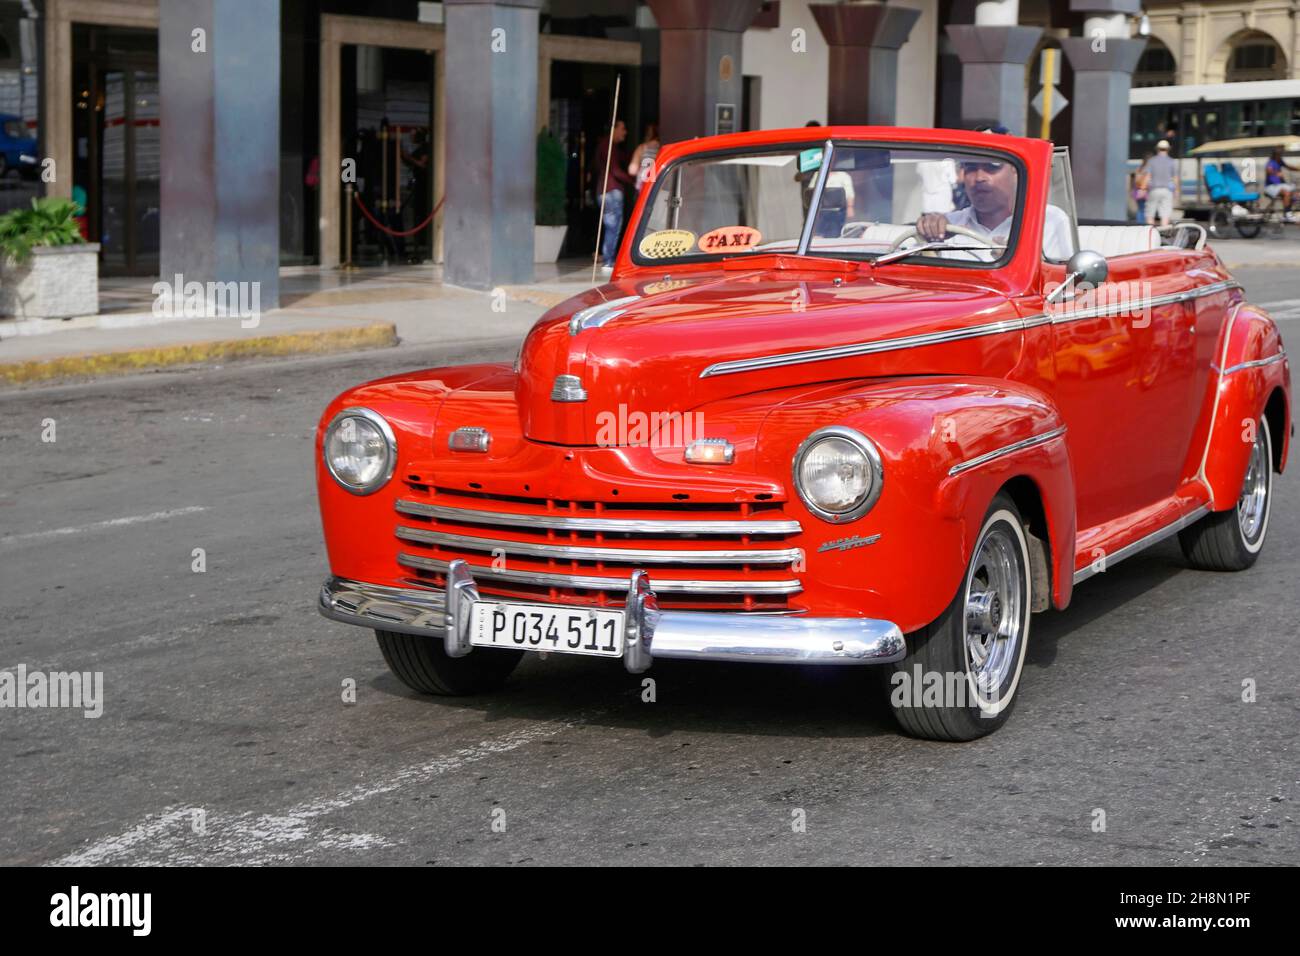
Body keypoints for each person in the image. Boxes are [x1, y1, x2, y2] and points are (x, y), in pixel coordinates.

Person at [915, 155, 1073, 261]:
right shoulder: (948, 225)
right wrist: (927, 232)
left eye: (992, 167)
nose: (979, 178)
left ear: (1015, 171)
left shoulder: (1048, 220)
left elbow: (1062, 285)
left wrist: (1021, 262)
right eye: (971, 168)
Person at [592, 118, 635, 273]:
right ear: (613, 129)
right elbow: (616, 170)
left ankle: (608, 259)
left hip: (604, 191)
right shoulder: (608, 146)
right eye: (622, 128)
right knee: (613, 228)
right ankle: (609, 261)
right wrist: (633, 181)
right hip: (612, 191)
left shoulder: (609, 147)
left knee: (611, 227)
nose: (625, 132)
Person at [1146, 139, 1178, 227]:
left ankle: (1150, 233)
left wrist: (1143, 189)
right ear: (1168, 149)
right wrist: (1176, 190)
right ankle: (1163, 233)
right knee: (1165, 214)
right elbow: (1175, 177)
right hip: (1167, 190)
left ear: (1157, 149)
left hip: (1154, 189)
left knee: (1150, 213)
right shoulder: (1171, 161)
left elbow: (1148, 176)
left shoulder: (1151, 161)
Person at [1264, 147, 1300, 221]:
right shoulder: (1271, 162)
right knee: (1286, 192)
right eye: (1279, 155)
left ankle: (1286, 213)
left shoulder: (1279, 161)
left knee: (1294, 191)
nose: (1280, 156)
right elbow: (1268, 170)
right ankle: (1287, 214)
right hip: (1270, 187)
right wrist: (1276, 173)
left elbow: (1289, 167)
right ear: (1275, 155)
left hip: (1279, 186)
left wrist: (1298, 169)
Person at [627, 122, 660, 192]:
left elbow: (632, 170)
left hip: (643, 187)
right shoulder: (662, 148)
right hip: (658, 186)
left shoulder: (642, 148)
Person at [1132, 154, 1152, 223]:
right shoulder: (1149, 169)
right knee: (1146, 210)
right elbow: (1148, 181)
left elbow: (1135, 181)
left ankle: (1139, 224)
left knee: (1140, 209)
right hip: (1145, 191)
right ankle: (1143, 224)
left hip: (1138, 191)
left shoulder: (1139, 169)